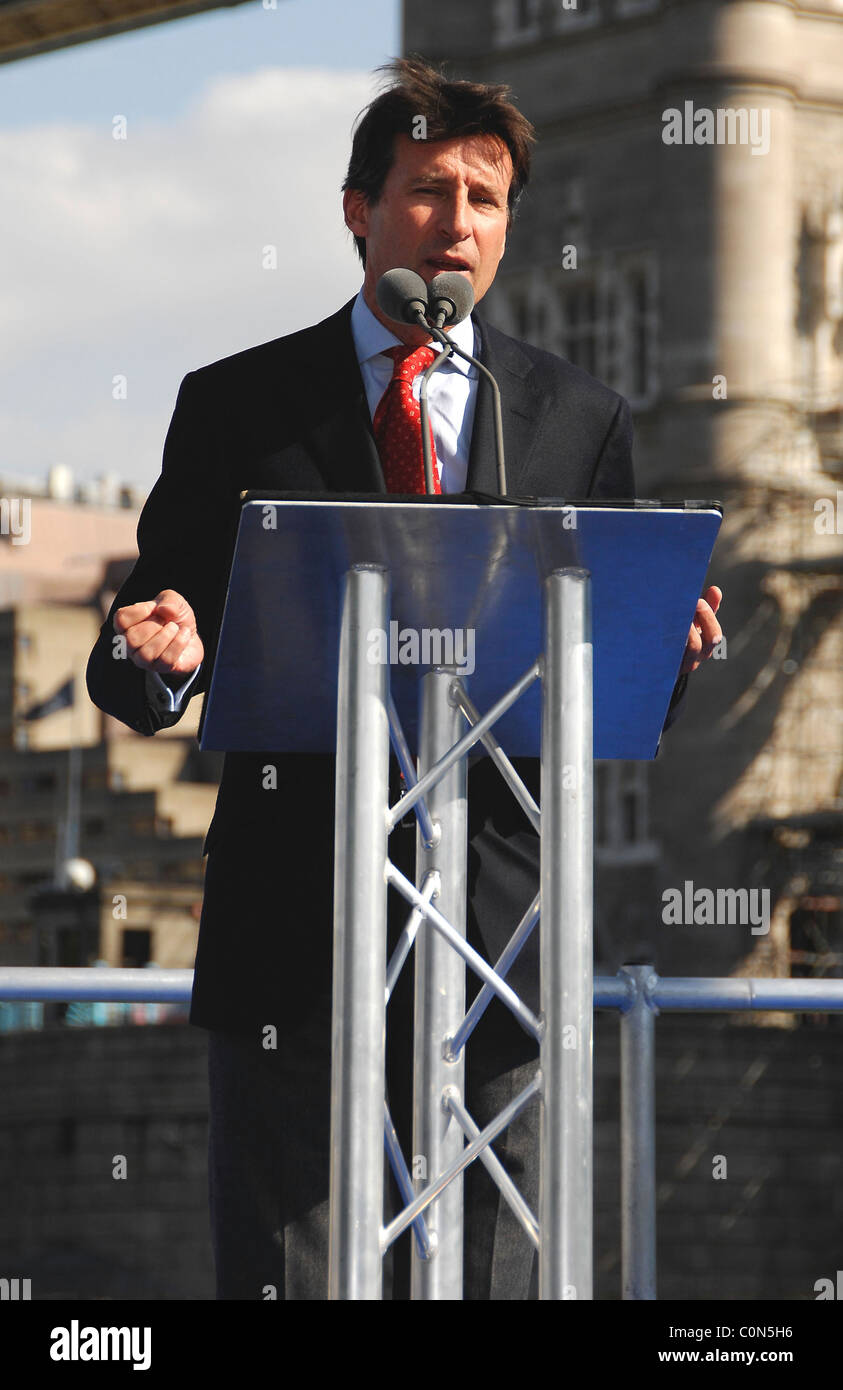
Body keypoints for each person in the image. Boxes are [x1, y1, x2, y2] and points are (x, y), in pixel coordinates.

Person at [86, 57, 723, 1300]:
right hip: (295, 909)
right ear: (356, 210)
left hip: (502, 915)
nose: (461, 224)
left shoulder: (573, 413)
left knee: (499, 1263)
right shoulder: (235, 404)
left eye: (486, 200)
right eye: (430, 192)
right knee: (293, 1266)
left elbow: (604, 697)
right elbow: (152, 633)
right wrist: (151, 649)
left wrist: (665, 651)